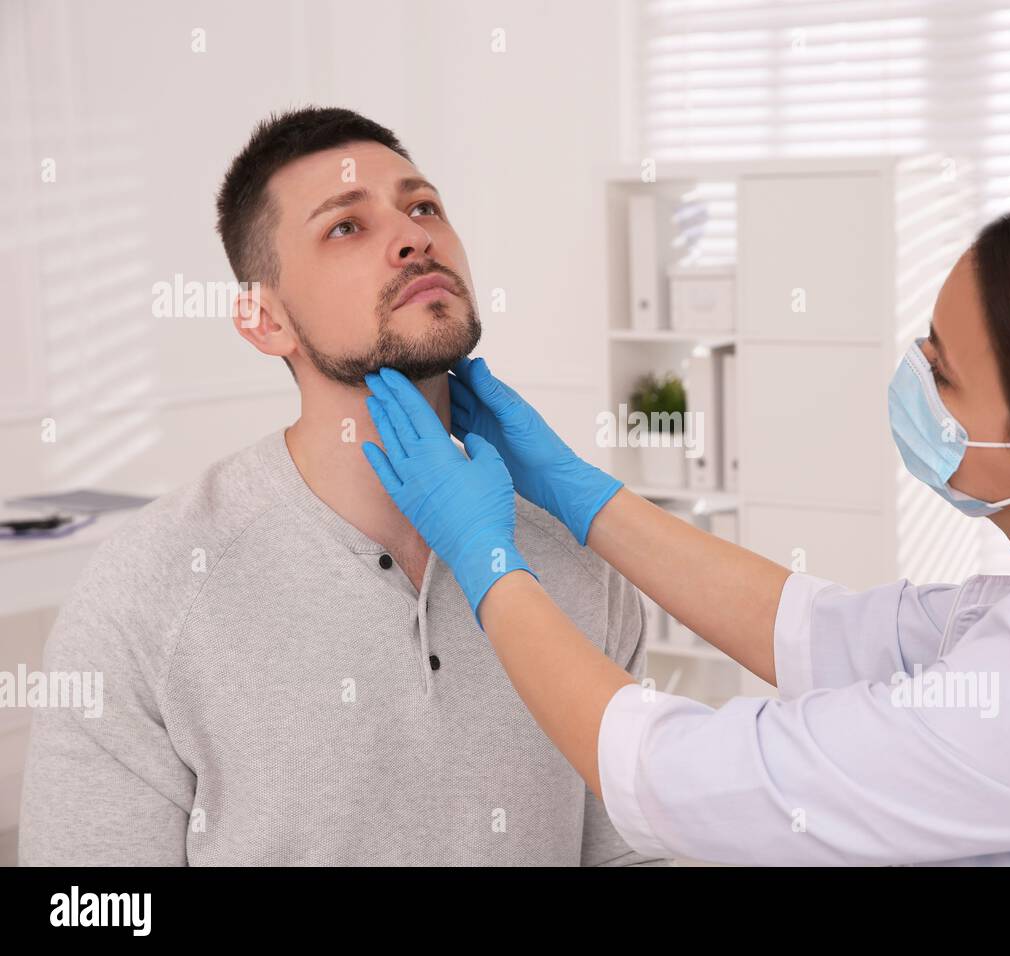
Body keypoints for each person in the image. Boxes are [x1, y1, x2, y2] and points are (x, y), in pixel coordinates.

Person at [361, 194, 1010, 866]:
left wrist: (488, 560)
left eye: (939, 371)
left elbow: (674, 779)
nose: (912, 377)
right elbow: (830, 631)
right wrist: (580, 494)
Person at [19, 106, 664, 866]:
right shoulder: (150, 589)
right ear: (265, 322)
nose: (414, 236)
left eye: (422, 207)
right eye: (344, 227)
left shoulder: (578, 557)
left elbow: (629, 853)